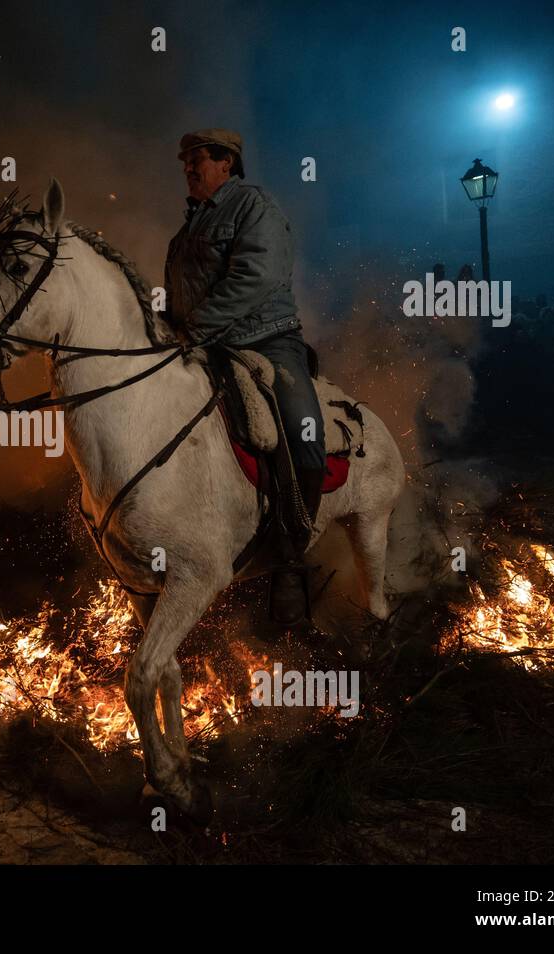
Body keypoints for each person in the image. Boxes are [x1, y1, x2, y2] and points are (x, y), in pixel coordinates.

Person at [164, 129, 324, 625]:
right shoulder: (186, 231)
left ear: (227, 163)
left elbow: (256, 276)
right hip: (204, 344)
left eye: (198, 160)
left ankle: (291, 559)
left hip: (268, 340)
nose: (188, 168)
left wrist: (195, 328)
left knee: (304, 435)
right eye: (185, 161)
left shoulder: (253, 207)